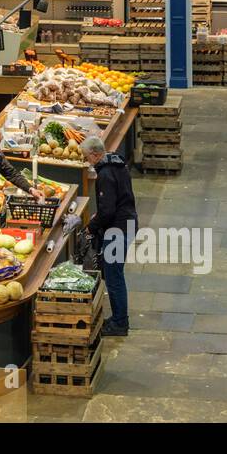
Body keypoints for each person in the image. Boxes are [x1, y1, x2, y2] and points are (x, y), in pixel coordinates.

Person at [81, 135, 138, 338]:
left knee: (114, 278)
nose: (87, 161)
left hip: (118, 230)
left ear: (96, 154)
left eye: (87, 157)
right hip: (128, 222)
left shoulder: (105, 174)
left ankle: (120, 323)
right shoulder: (118, 163)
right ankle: (118, 319)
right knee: (113, 273)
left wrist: (91, 227)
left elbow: (108, 212)